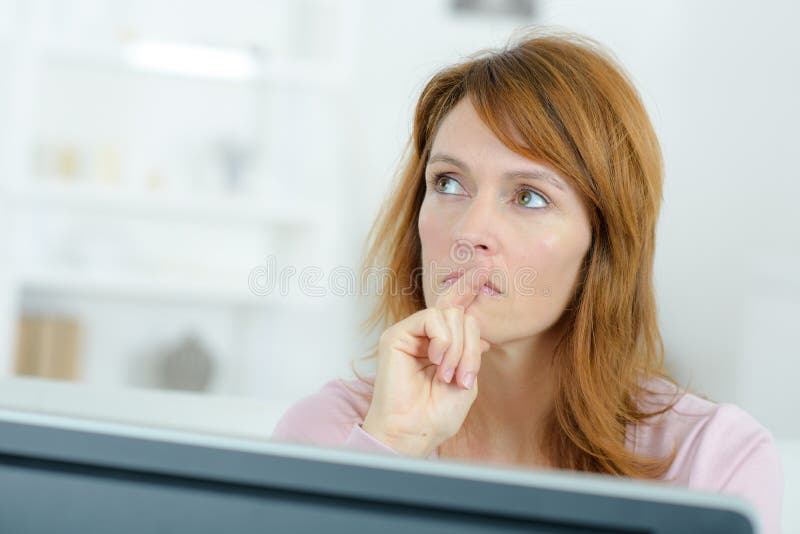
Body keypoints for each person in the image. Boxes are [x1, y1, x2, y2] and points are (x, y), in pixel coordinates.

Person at [271, 29, 783, 533]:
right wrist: (390, 450)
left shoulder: (713, 465)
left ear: (601, 243)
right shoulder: (329, 437)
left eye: (529, 196)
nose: (470, 232)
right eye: (448, 183)